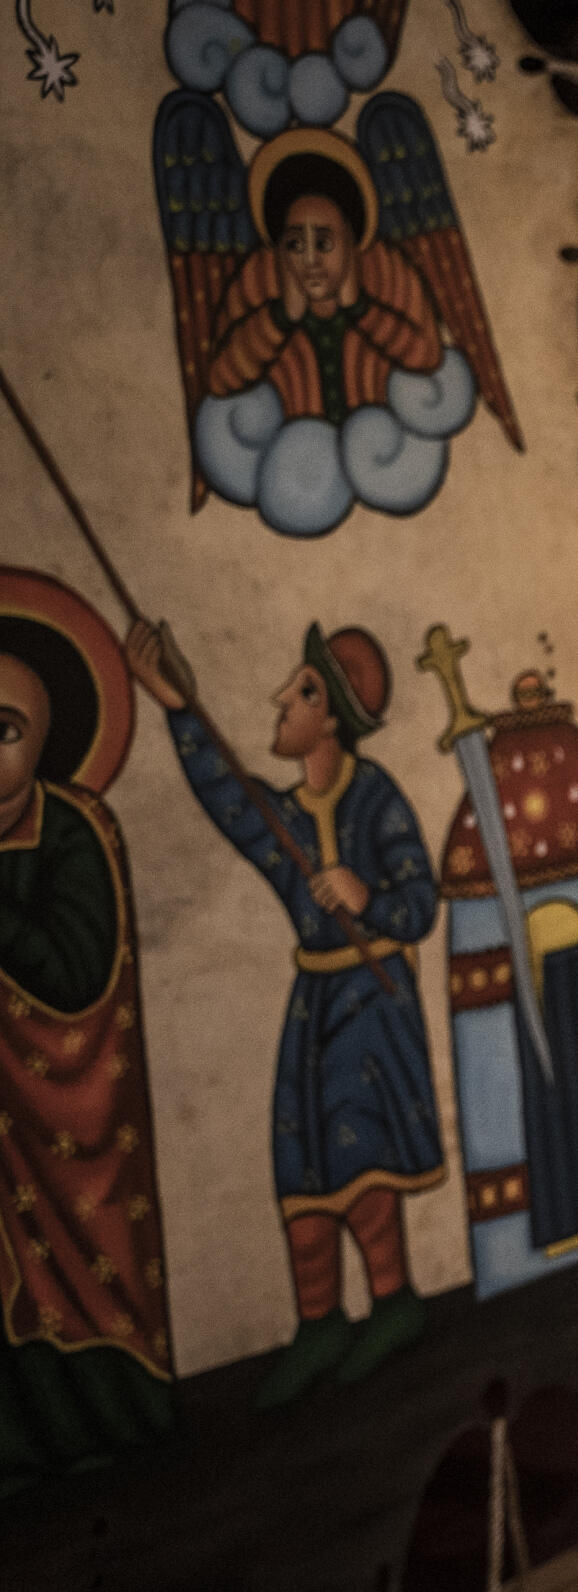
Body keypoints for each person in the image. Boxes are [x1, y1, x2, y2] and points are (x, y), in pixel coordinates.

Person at [126, 619, 445, 1408]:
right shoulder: (287, 820)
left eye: (301, 691)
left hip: (371, 997)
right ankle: (319, 1324)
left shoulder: (373, 798)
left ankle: (394, 1303)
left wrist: (367, 897)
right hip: (316, 1001)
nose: (280, 700)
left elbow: (420, 901)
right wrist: (180, 706)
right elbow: (231, 800)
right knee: (301, 1162)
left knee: (360, 1155)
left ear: (332, 716)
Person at [0, 574, 173, 1489]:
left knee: (74, 1273)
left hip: (62, 1116)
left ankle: (107, 1422)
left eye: (4, 730)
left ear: (45, 740)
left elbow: (75, 975)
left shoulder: (76, 829)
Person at [203, 132, 445, 425]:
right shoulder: (258, 277)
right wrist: (282, 316)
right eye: (295, 244)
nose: (310, 260)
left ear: (350, 241)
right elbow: (219, 379)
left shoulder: (385, 268)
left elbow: (427, 356)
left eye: (323, 243)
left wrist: (360, 308)